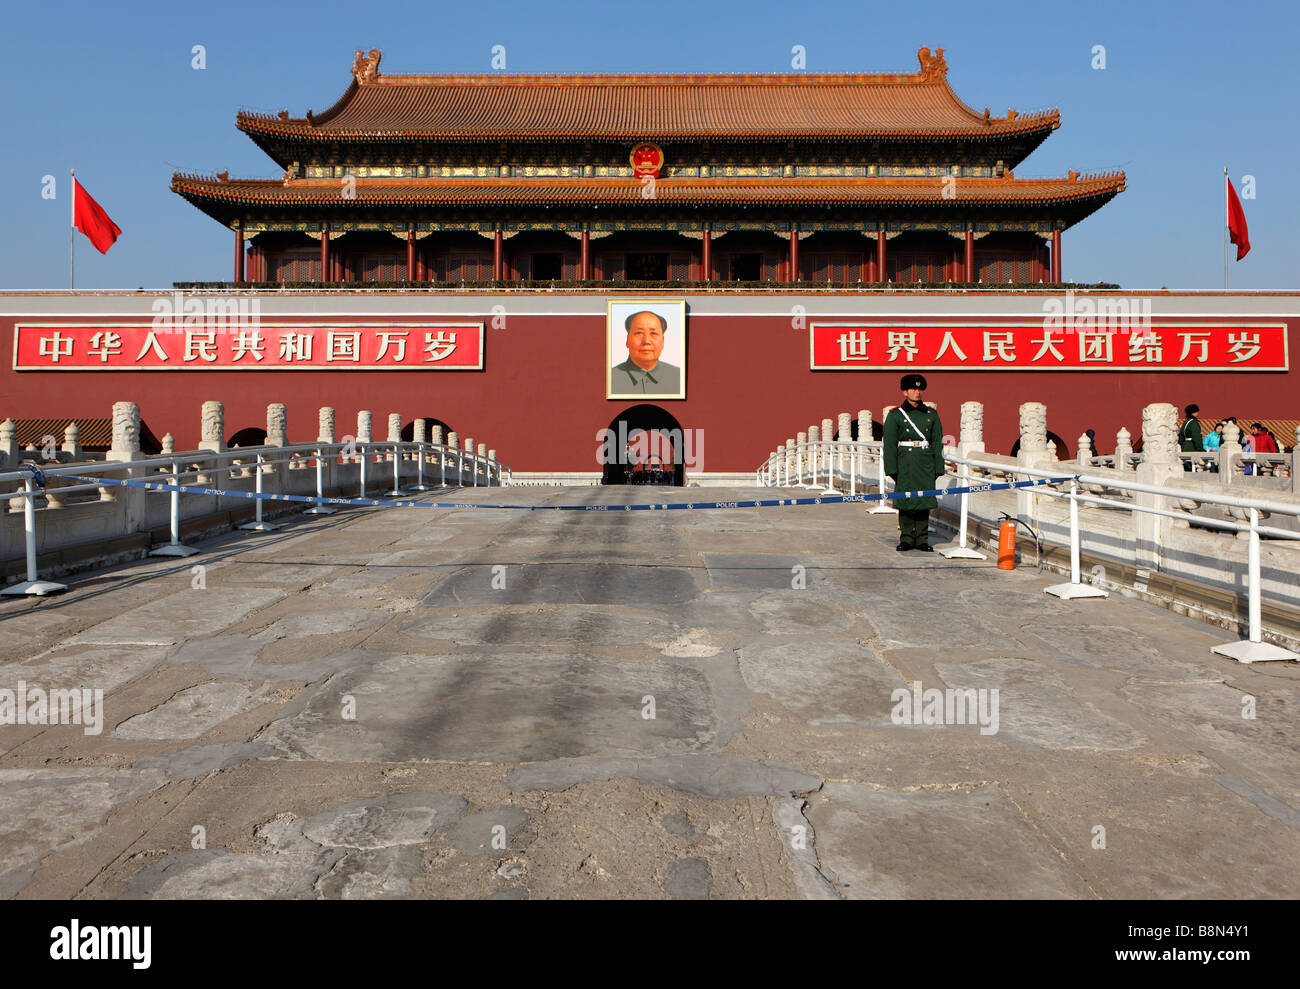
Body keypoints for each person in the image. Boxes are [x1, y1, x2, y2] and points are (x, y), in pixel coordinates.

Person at [883, 373, 945, 552]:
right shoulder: (896, 415)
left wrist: (938, 466)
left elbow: (937, 441)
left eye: (919, 389)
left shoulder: (931, 414)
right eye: (912, 389)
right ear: (904, 392)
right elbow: (890, 445)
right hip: (906, 463)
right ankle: (907, 538)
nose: (917, 393)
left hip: (925, 462)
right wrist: (892, 469)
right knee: (906, 501)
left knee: (924, 501)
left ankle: (923, 539)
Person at [610, 310, 681, 395]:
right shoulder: (609, 379)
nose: (646, 341)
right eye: (639, 333)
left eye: (653, 333)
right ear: (627, 340)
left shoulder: (680, 377)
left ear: (662, 342)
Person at [1179, 404, 1202, 470]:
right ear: (1194, 413)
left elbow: (1181, 437)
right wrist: (1200, 448)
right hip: (1192, 447)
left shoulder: (1185, 422)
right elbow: (1196, 437)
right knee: (1193, 468)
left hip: (1184, 446)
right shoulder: (1194, 423)